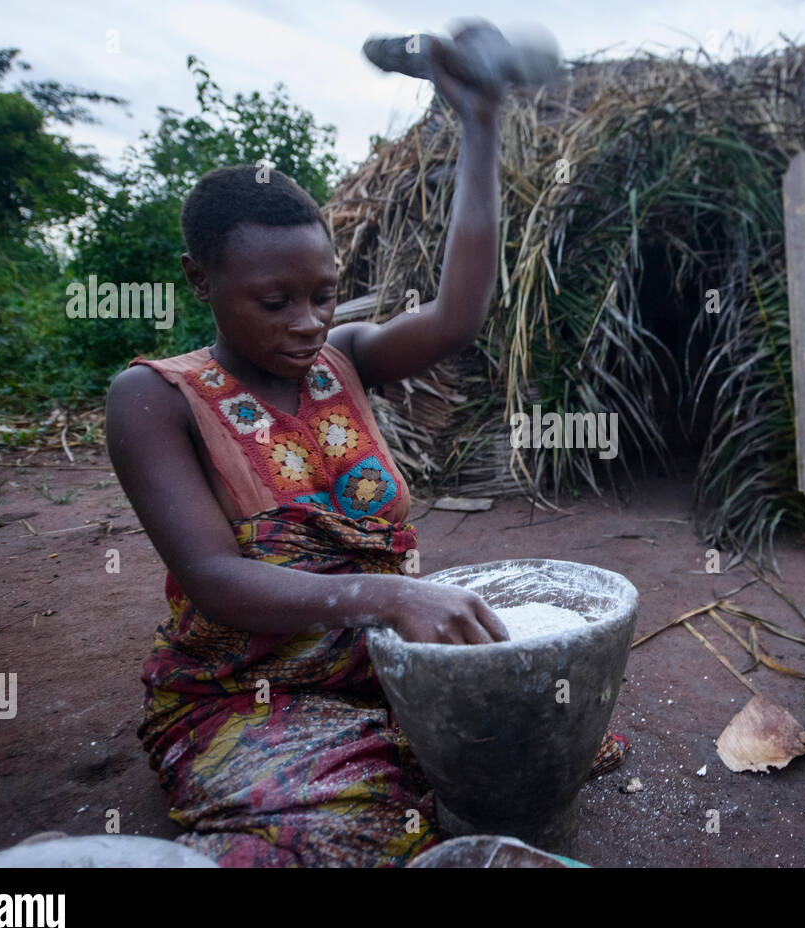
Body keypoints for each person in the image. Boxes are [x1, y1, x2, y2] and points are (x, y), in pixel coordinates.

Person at [106, 39, 625, 867]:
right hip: (244, 689)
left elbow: (459, 312)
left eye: (322, 293)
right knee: (361, 831)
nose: (308, 322)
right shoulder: (155, 399)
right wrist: (384, 596)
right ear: (197, 281)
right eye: (275, 302)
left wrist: (480, 123)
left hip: (379, 665)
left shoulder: (342, 360)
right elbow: (214, 578)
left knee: (548, 741)